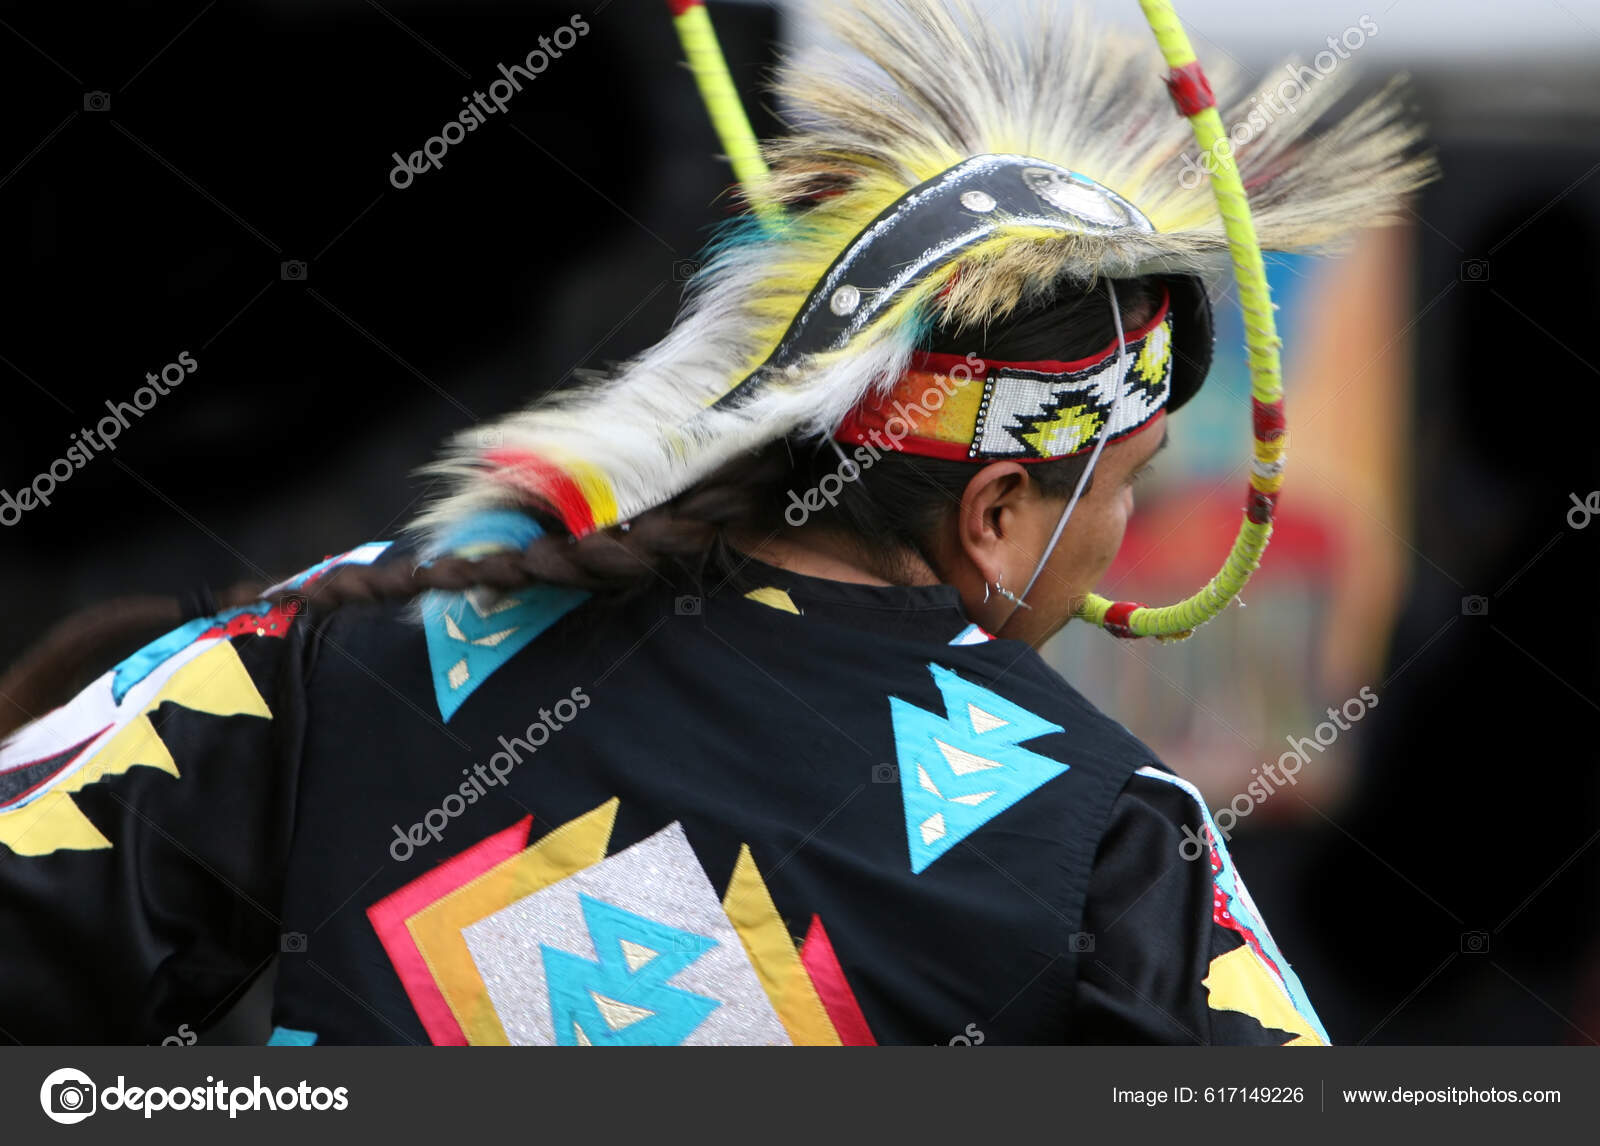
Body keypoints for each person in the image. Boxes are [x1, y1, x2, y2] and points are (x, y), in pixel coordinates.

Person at [0, 0, 1429, 1045]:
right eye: (1127, 485)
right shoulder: (1111, 842)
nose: (1122, 537)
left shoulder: (359, 630)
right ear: (999, 512)